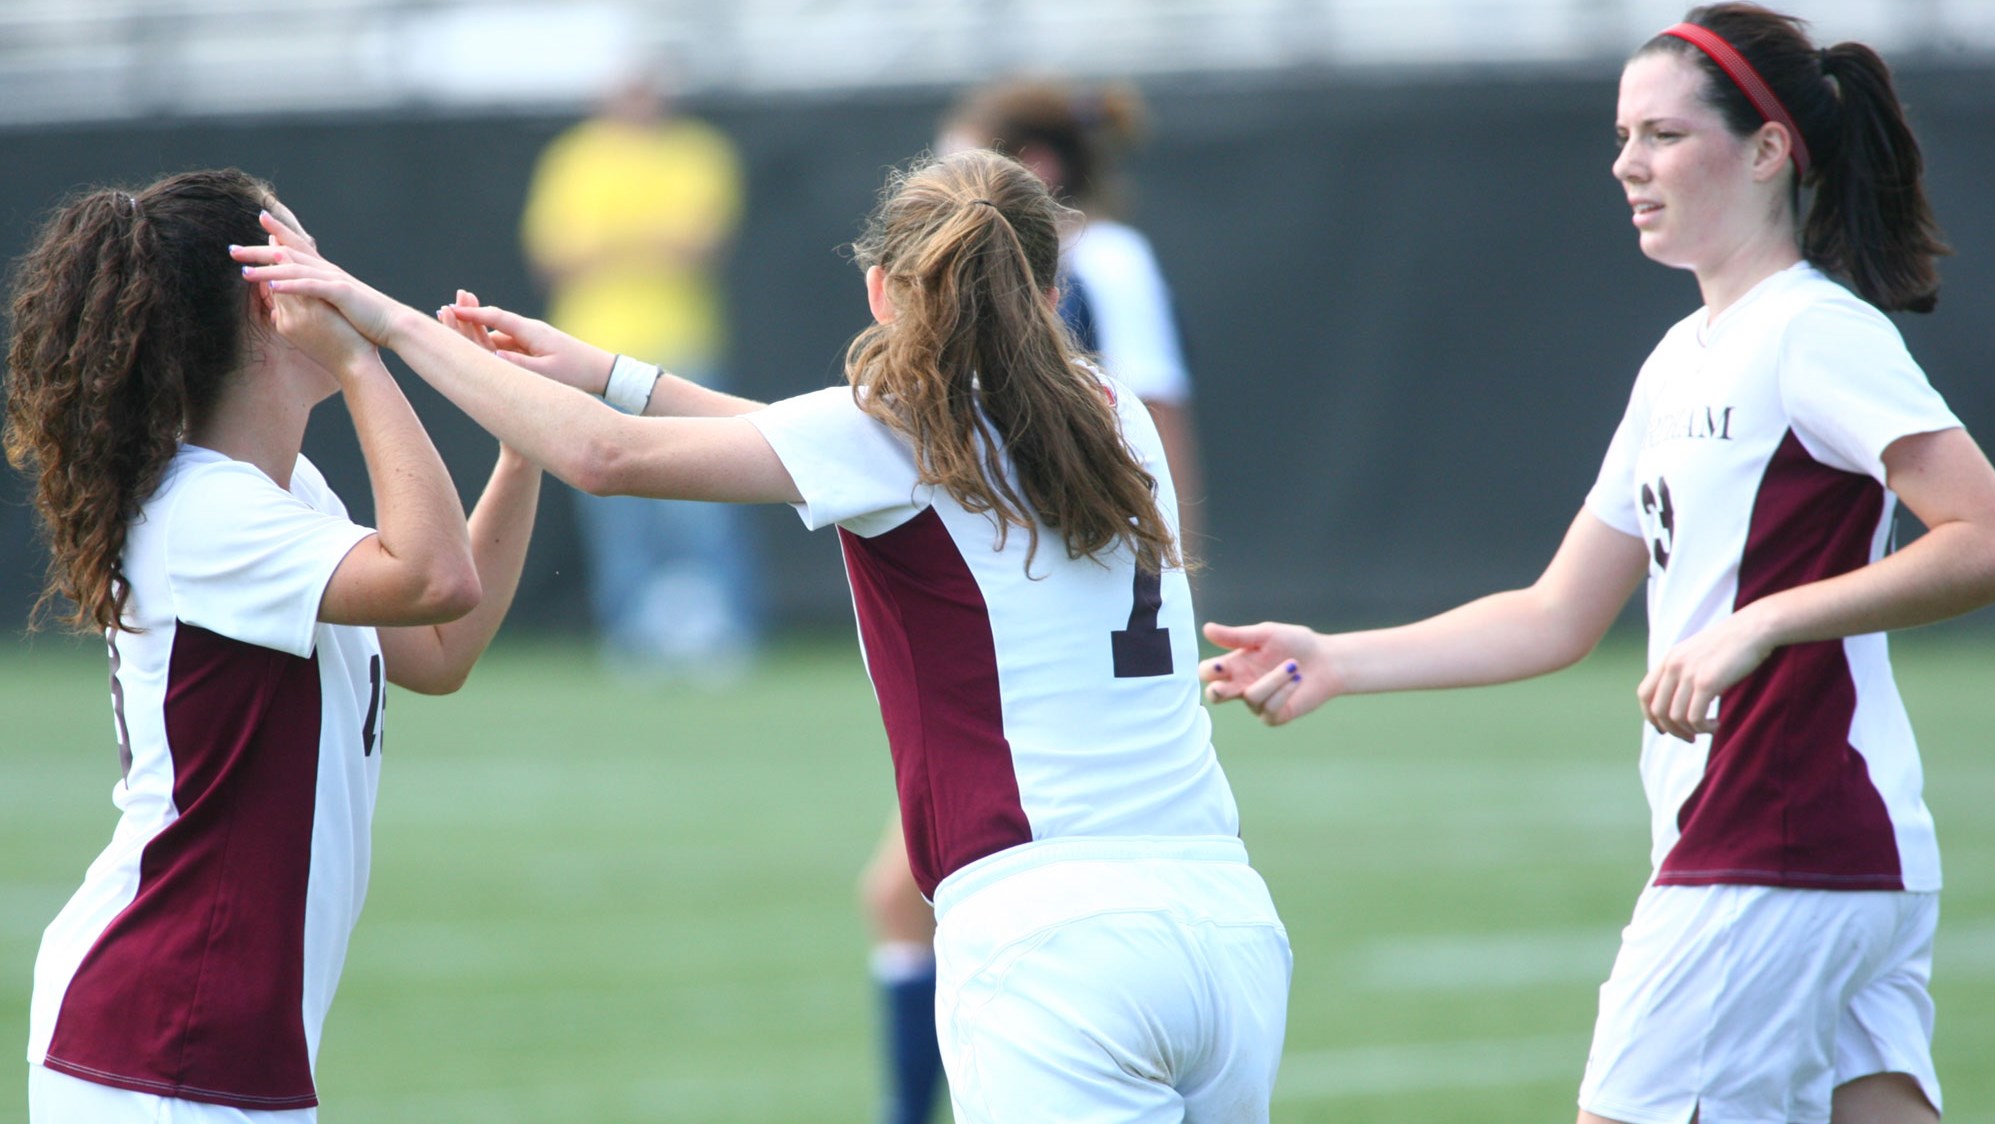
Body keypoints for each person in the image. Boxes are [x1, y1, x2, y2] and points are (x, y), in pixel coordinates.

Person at [237, 146, 1293, 1122]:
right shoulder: (1109, 412)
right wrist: (605, 367)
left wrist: (381, 321)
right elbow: (803, 440)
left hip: (1054, 934)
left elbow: (607, 459)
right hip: (1226, 922)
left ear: (881, 289)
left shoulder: (898, 431)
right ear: (1050, 289)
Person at [1202, 5, 1995, 1123]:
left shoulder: (1811, 333)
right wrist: (1337, 656)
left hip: (1773, 831)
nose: (1627, 162)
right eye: (1623, 134)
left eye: (1664, 134)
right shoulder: (1681, 357)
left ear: (1768, 149)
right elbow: (1553, 611)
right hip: (1820, 847)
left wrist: (1757, 620)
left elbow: (1983, 534)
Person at [5, 169, 542, 1121]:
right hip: (160, 1041)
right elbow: (434, 577)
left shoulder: (281, 496)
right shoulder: (206, 512)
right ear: (271, 298)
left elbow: (442, 646)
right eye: (307, 253)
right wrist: (363, 361)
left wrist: (523, 439)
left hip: (205, 1045)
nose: (334, 273)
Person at [849, 79, 1215, 1123]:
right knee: (902, 889)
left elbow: (1152, 420)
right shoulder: (971, 353)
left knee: (924, 884)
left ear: (1032, 176)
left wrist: (1174, 574)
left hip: (1056, 626)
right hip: (1012, 601)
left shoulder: (1107, 273)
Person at [521, 63, 757, 677]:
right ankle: (631, 636)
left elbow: (697, 247)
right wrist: (646, 242)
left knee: (707, 496)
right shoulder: (574, 158)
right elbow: (555, 256)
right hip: (590, 355)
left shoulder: (699, 153)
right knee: (612, 505)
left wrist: (611, 245)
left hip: (679, 351)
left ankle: (723, 631)